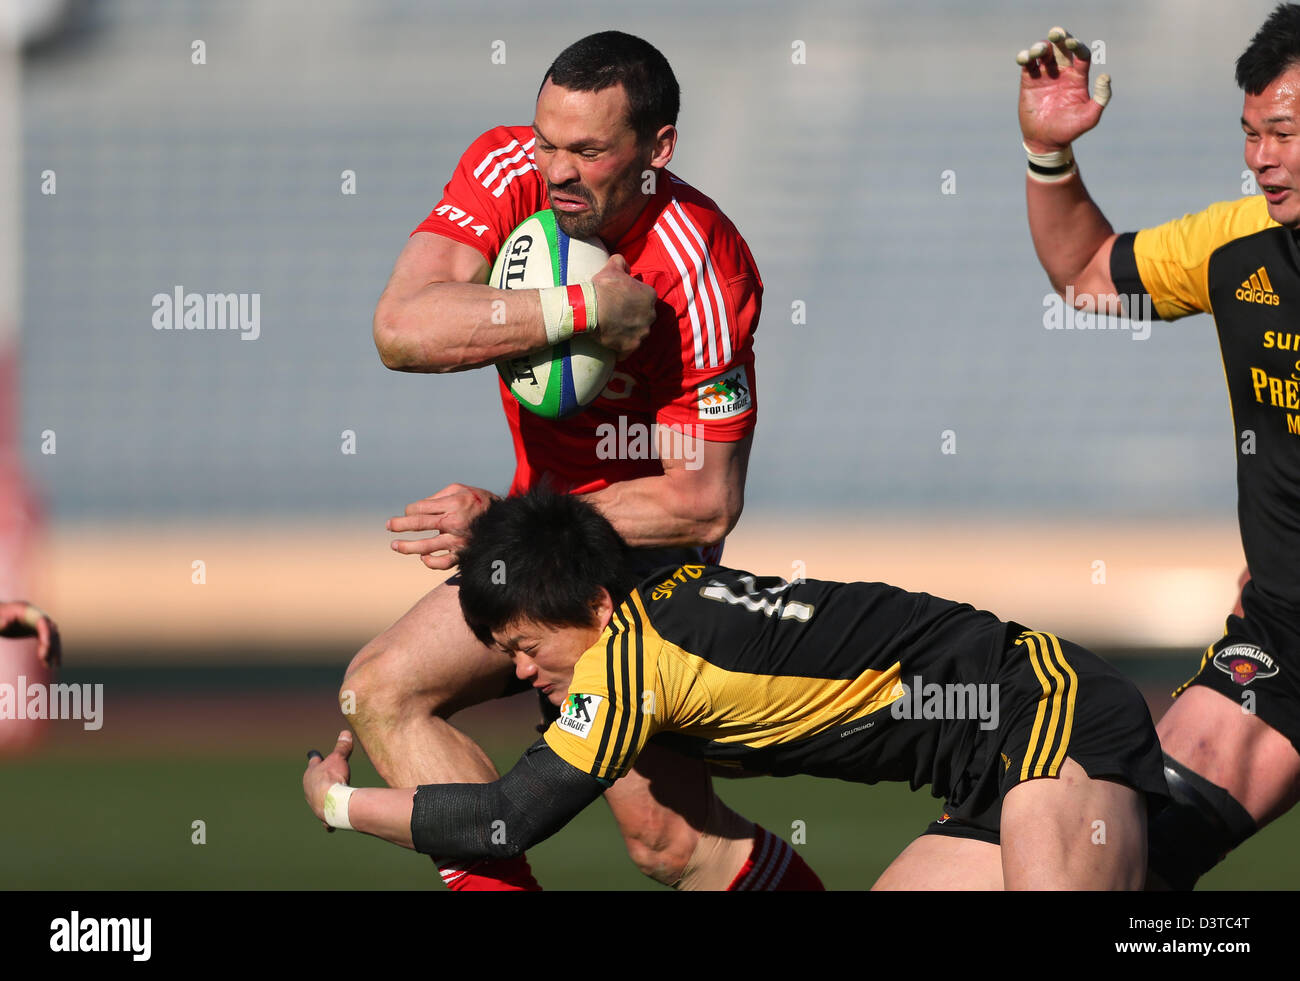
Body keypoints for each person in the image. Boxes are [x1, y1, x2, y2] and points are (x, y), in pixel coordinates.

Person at [346, 30, 821, 891]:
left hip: (635, 566)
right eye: (547, 141)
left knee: (669, 846)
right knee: (382, 688)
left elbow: (705, 501)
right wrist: (576, 311)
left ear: (657, 150)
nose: (557, 171)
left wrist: (511, 525)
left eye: (590, 150)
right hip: (532, 531)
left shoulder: (702, 267)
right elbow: (400, 328)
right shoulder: (506, 170)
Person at [304, 492, 1169, 889]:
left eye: (527, 647)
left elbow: (506, 817)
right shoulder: (643, 604)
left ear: (596, 605)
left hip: (1043, 706)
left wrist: (341, 804)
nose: (523, 673)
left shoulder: (628, 663)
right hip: (983, 770)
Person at [1015, 10, 1300, 889]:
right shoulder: (1237, 243)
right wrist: (1049, 156)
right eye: (1251, 134)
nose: (1260, 158)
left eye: (1284, 133)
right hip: (1285, 643)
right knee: (1105, 846)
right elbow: (1087, 272)